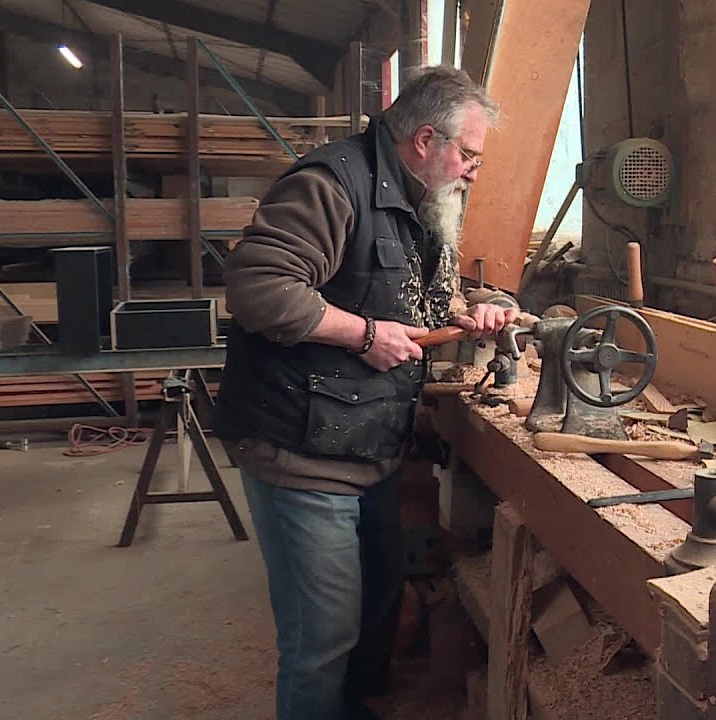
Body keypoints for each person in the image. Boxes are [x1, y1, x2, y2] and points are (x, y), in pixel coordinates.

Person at [213, 66, 517, 720]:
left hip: (365, 444)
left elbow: (426, 298)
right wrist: (364, 334)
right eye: (468, 155)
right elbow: (259, 288)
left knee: (376, 602)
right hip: (301, 449)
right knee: (320, 637)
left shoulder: (420, 202)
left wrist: (474, 309)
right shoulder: (333, 185)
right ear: (425, 140)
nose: (472, 171)